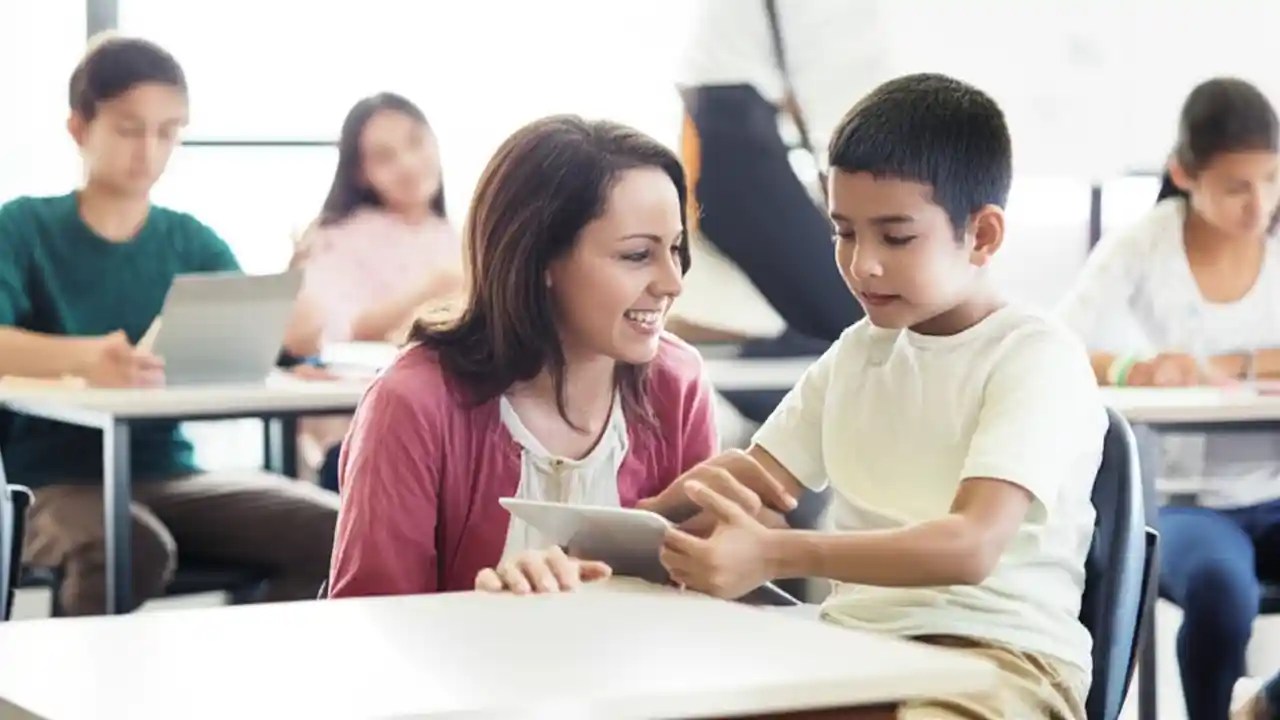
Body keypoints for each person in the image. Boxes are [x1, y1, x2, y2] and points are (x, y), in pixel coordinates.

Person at [481, 74, 1107, 719]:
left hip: (1001, 661)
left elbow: (970, 547)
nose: (862, 264)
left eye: (895, 237)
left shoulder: (1034, 356)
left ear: (983, 235)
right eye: (844, 232)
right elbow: (750, 485)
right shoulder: (859, 352)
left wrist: (775, 553)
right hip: (852, 653)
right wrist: (623, 532)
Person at [327, 116, 737, 597]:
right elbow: (369, 617)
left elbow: (701, 606)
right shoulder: (412, 401)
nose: (672, 283)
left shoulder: (677, 382)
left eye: (675, 249)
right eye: (636, 255)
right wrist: (487, 610)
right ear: (541, 257)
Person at [0, 35, 339, 615]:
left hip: (170, 473)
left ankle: (255, 669)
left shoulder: (191, 240)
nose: (149, 150)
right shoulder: (23, 228)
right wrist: (87, 359)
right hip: (52, 482)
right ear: (79, 128)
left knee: (336, 529)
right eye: (129, 129)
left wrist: (292, 342)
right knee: (127, 545)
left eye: (168, 131)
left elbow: (256, 339)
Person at [1058, 77, 1280, 720]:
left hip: (1274, 490)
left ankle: (1265, 703)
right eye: (1236, 186)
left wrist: (1230, 364)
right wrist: (1137, 367)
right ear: (1184, 173)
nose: (1259, 204)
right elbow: (1055, 344)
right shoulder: (1146, 243)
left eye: (1271, 179)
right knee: (1221, 591)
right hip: (1189, 503)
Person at [281, 92, 463, 492]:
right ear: (360, 172)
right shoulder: (334, 237)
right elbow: (337, 333)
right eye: (384, 156)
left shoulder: (462, 234)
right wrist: (433, 288)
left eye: (415, 142)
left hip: (449, 420)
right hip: (360, 421)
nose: (408, 163)